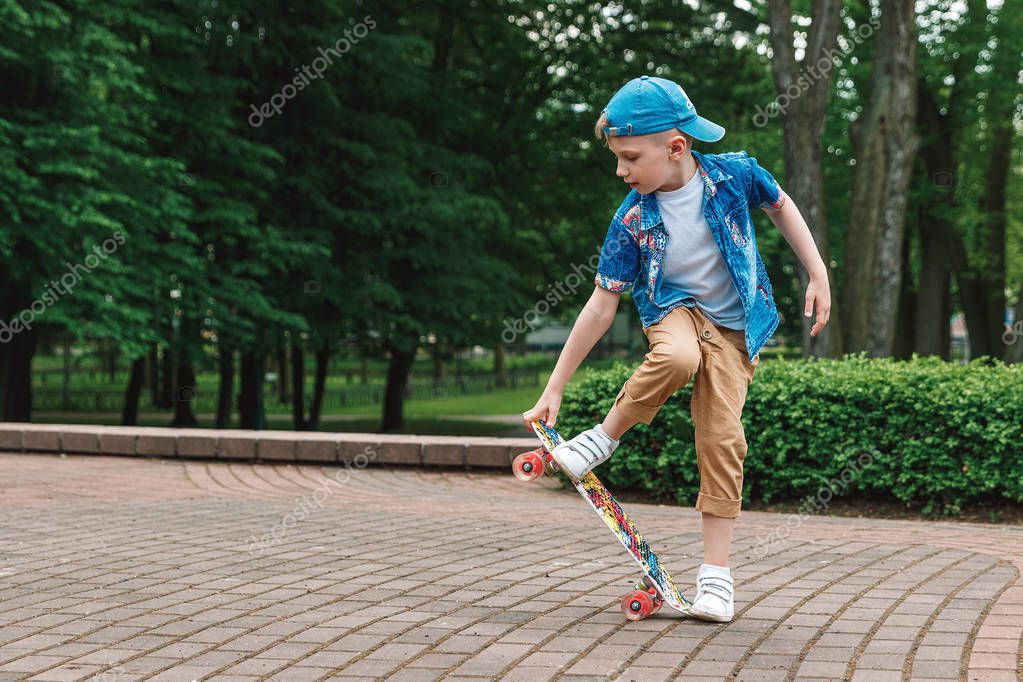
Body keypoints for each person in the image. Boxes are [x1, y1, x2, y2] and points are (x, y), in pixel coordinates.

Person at [521, 75, 831, 622]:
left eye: (630, 158)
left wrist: (818, 272)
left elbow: (782, 206)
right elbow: (600, 307)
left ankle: (716, 579)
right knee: (676, 357)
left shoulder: (734, 175)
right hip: (675, 313)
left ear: (676, 147)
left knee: (722, 440)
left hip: (736, 333)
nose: (621, 171)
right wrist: (554, 387)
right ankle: (601, 440)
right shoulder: (631, 219)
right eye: (618, 159)